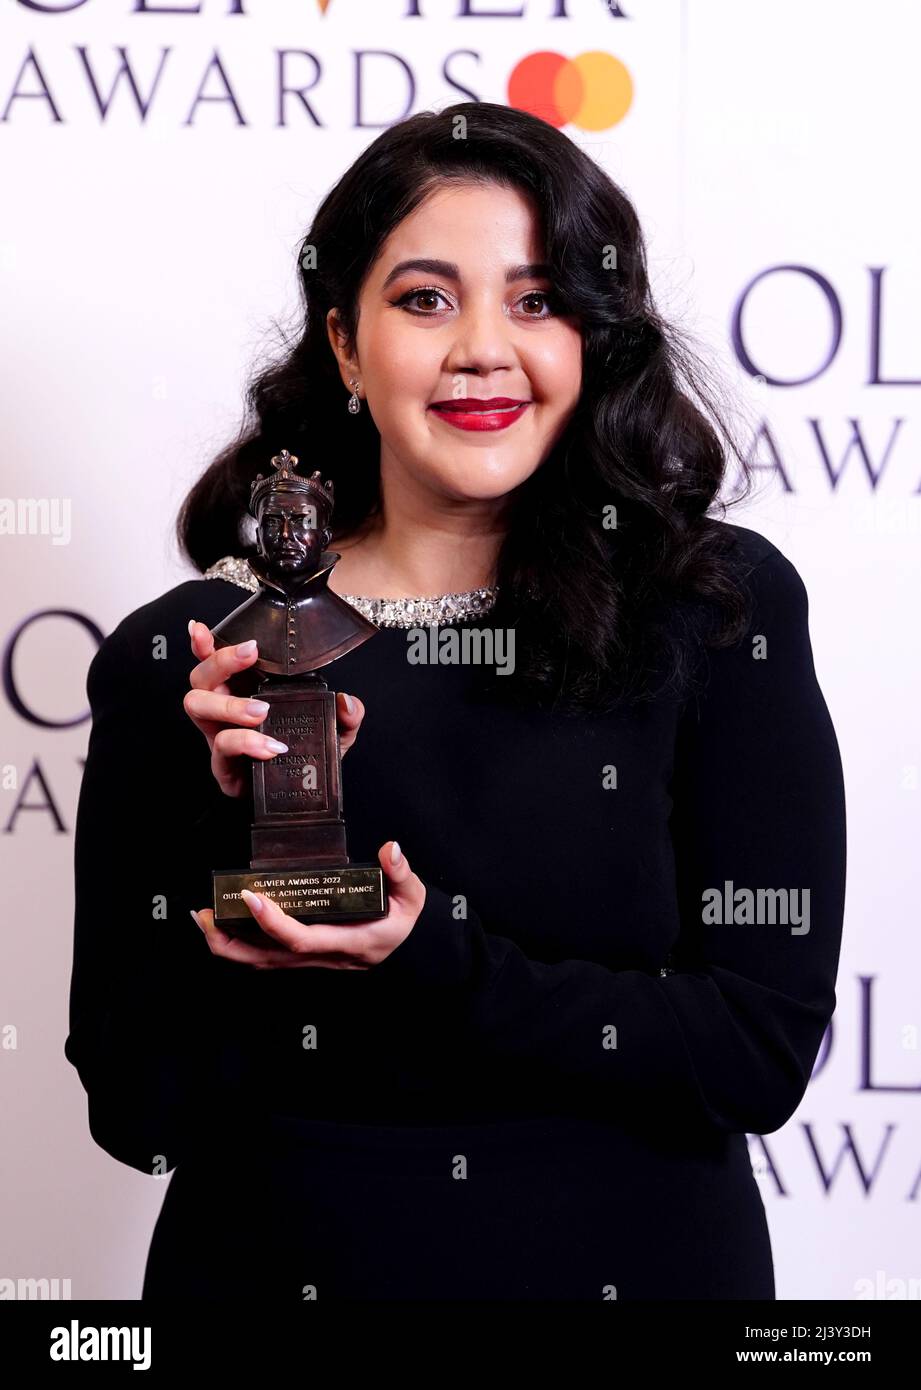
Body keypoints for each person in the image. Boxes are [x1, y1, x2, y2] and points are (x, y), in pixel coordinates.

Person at [65, 101, 846, 1301]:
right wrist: (212, 824)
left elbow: (756, 1053)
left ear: (595, 335)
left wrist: (429, 960)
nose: (485, 347)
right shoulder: (192, 658)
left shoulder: (715, 609)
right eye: (426, 299)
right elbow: (136, 1109)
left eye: (536, 301)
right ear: (342, 342)